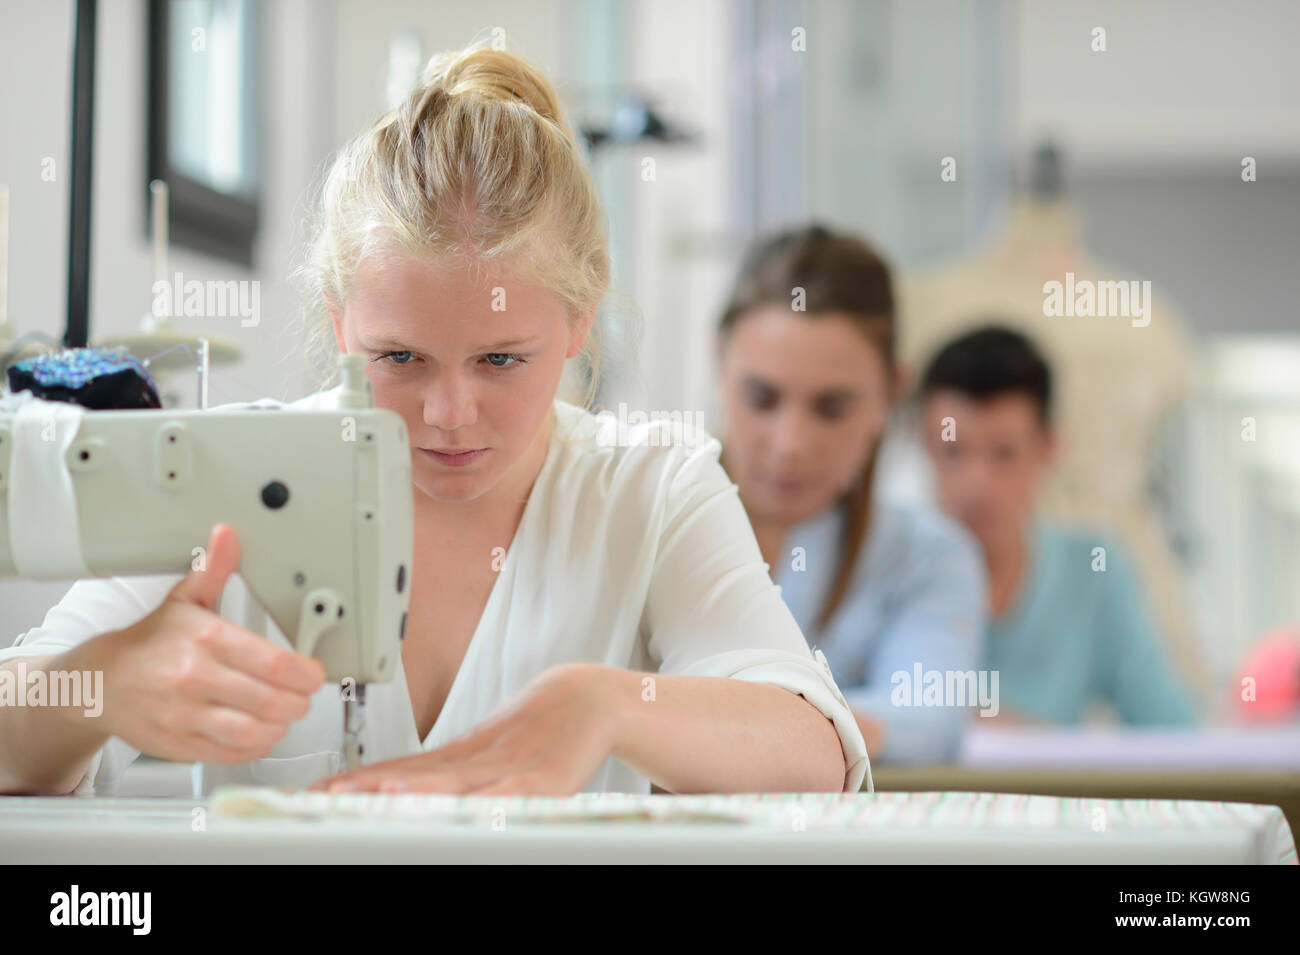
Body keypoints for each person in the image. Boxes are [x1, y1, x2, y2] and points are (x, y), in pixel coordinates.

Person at [0, 43, 869, 797]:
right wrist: (104, 683)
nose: (449, 415)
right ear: (341, 322)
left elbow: (815, 754)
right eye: (400, 358)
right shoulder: (222, 468)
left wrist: (606, 707)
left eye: (500, 359)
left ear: (581, 318)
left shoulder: (654, 489)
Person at [714, 225, 988, 765]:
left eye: (832, 408)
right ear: (718, 364)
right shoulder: (636, 528)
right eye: (761, 398)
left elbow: (925, 721)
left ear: (892, 392)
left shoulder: (929, 559)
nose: (790, 445)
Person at [916, 325, 1198, 726]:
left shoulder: (1095, 572)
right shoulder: (887, 568)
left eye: (1004, 453)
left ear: (1049, 448)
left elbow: (1174, 730)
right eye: (953, 452)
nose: (977, 483)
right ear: (922, 444)